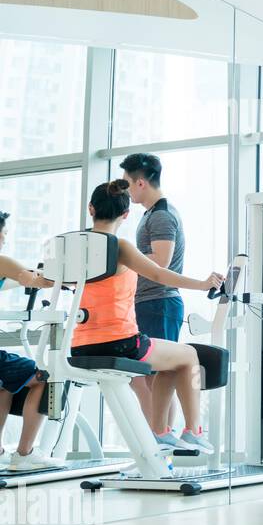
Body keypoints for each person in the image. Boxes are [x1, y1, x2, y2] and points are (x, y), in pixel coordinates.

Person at [72, 181, 225, 452]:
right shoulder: (119, 247)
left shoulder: (73, 248)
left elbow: (50, 279)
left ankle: (160, 431)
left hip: (79, 345)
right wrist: (202, 284)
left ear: (91, 209)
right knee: (189, 355)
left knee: (171, 361)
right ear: (126, 214)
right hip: (120, 342)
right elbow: (158, 274)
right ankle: (193, 430)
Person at [120, 153, 187, 442]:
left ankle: (159, 441)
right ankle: (156, 440)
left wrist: (123, 260)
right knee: (145, 378)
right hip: (148, 303)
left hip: (160, 302)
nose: (124, 190)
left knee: (159, 377)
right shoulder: (150, 214)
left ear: (141, 182)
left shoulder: (161, 215)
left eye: (127, 184)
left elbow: (161, 260)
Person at [0, 210, 54, 470]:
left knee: (4, 386)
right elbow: (34, 278)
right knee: (44, 376)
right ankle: (24, 454)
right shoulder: (1, 260)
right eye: (6, 234)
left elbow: (11, 282)